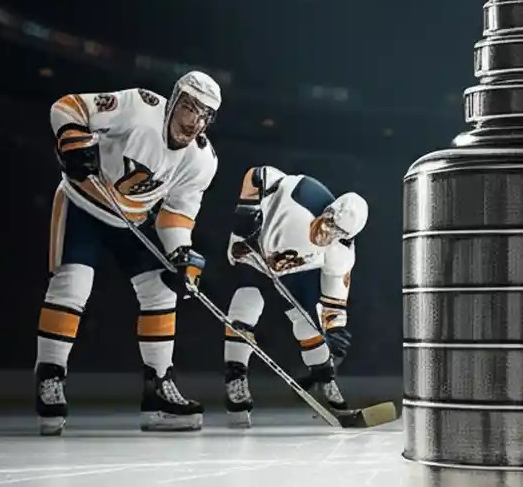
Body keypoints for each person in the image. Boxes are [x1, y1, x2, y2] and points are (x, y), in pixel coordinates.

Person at [36, 71, 220, 435]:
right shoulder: (139, 106)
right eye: (188, 108)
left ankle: (158, 390)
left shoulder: (202, 161)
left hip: (132, 220)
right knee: (74, 284)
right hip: (82, 203)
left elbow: (176, 215)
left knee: (162, 291)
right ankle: (50, 376)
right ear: (174, 100)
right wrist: (72, 138)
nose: (193, 121)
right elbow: (68, 106)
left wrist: (181, 253)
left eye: (203, 115)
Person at [221, 165, 368, 428]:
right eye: (330, 223)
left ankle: (326, 381)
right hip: (252, 253)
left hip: (291, 269)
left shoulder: (341, 252)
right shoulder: (306, 192)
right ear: (328, 210)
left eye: (338, 233)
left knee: (306, 322)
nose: (328, 233)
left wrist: (335, 332)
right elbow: (258, 175)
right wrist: (248, 210)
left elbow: (334, 301)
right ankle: (236, 377)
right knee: (245, 306)